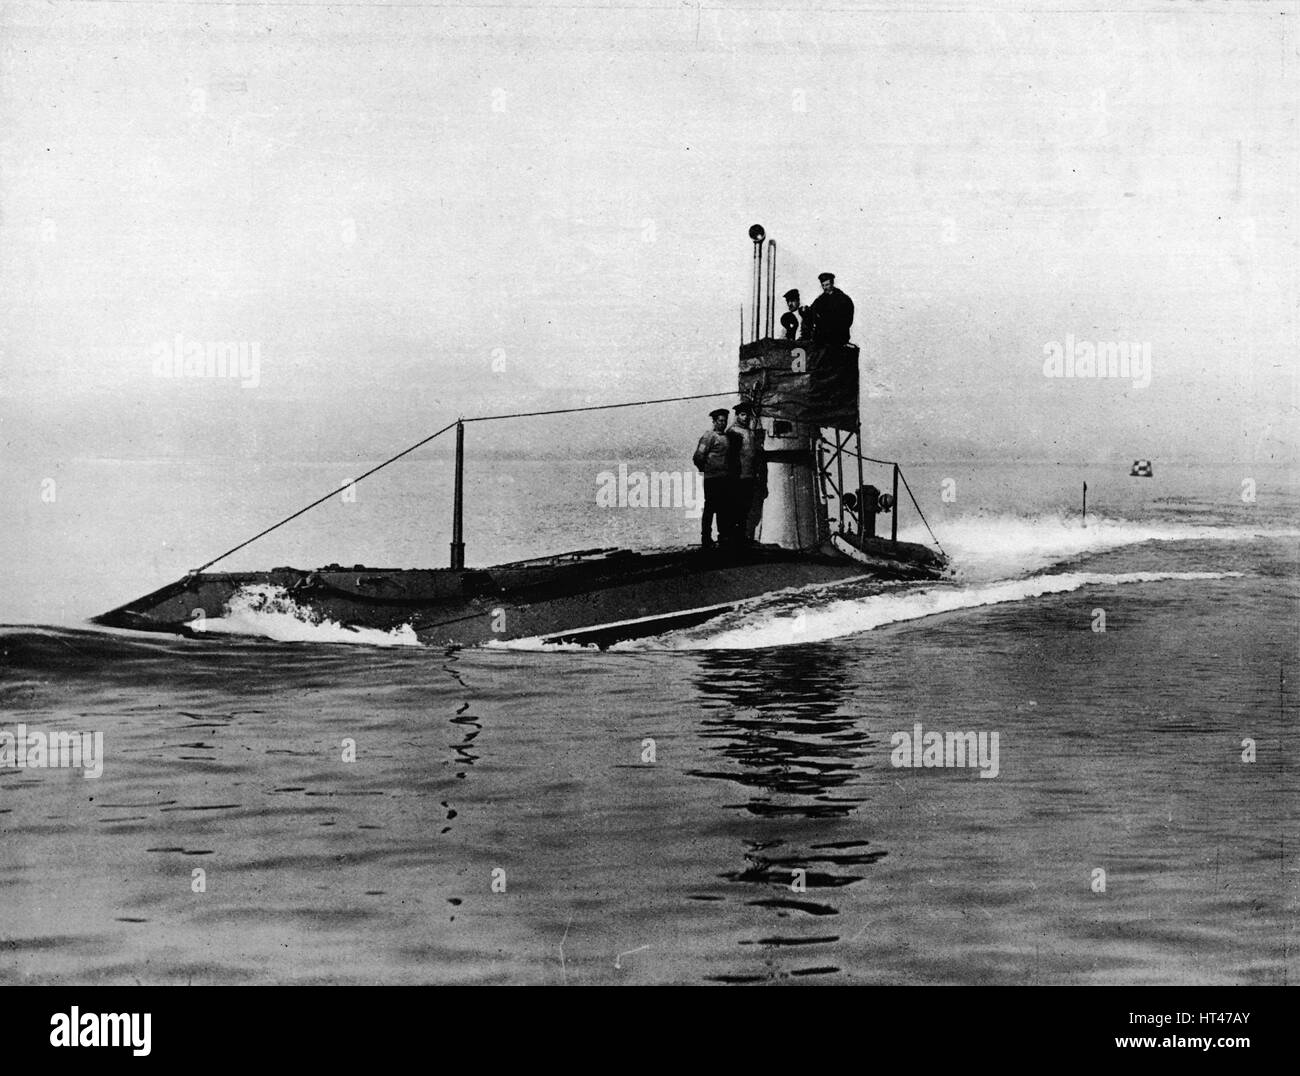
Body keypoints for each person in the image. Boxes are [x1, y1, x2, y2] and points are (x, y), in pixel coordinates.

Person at [725, 402, 764, 545]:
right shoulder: (733, 432)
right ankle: (734, 538)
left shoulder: (749, 432)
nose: (745, 417)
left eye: (747, 415)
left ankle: (741, 537)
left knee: (745, 508)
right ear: (737, 416)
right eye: (742, 414)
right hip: (737, 477)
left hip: (749, 476)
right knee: (736, 508)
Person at [692, 408, 731, 548]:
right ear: (714, 422)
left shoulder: (726, 437)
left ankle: (722, 536)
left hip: (724, 478)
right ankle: (706, 538)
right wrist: (705, 470)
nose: (723, 423)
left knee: (723, 509)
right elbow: (698, 457)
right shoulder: (708, 436)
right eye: (720, 421)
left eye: (725, 421)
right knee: (710, 508)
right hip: (712, 479)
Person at [809, 272, 854, 346]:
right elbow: (812, 313)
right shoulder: (820, 300)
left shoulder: (843, 299)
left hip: (838, 339)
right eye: (823, 285)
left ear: (832, 283)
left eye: (827, 285)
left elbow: (847, 321)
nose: (824, 288)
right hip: (822, 339)